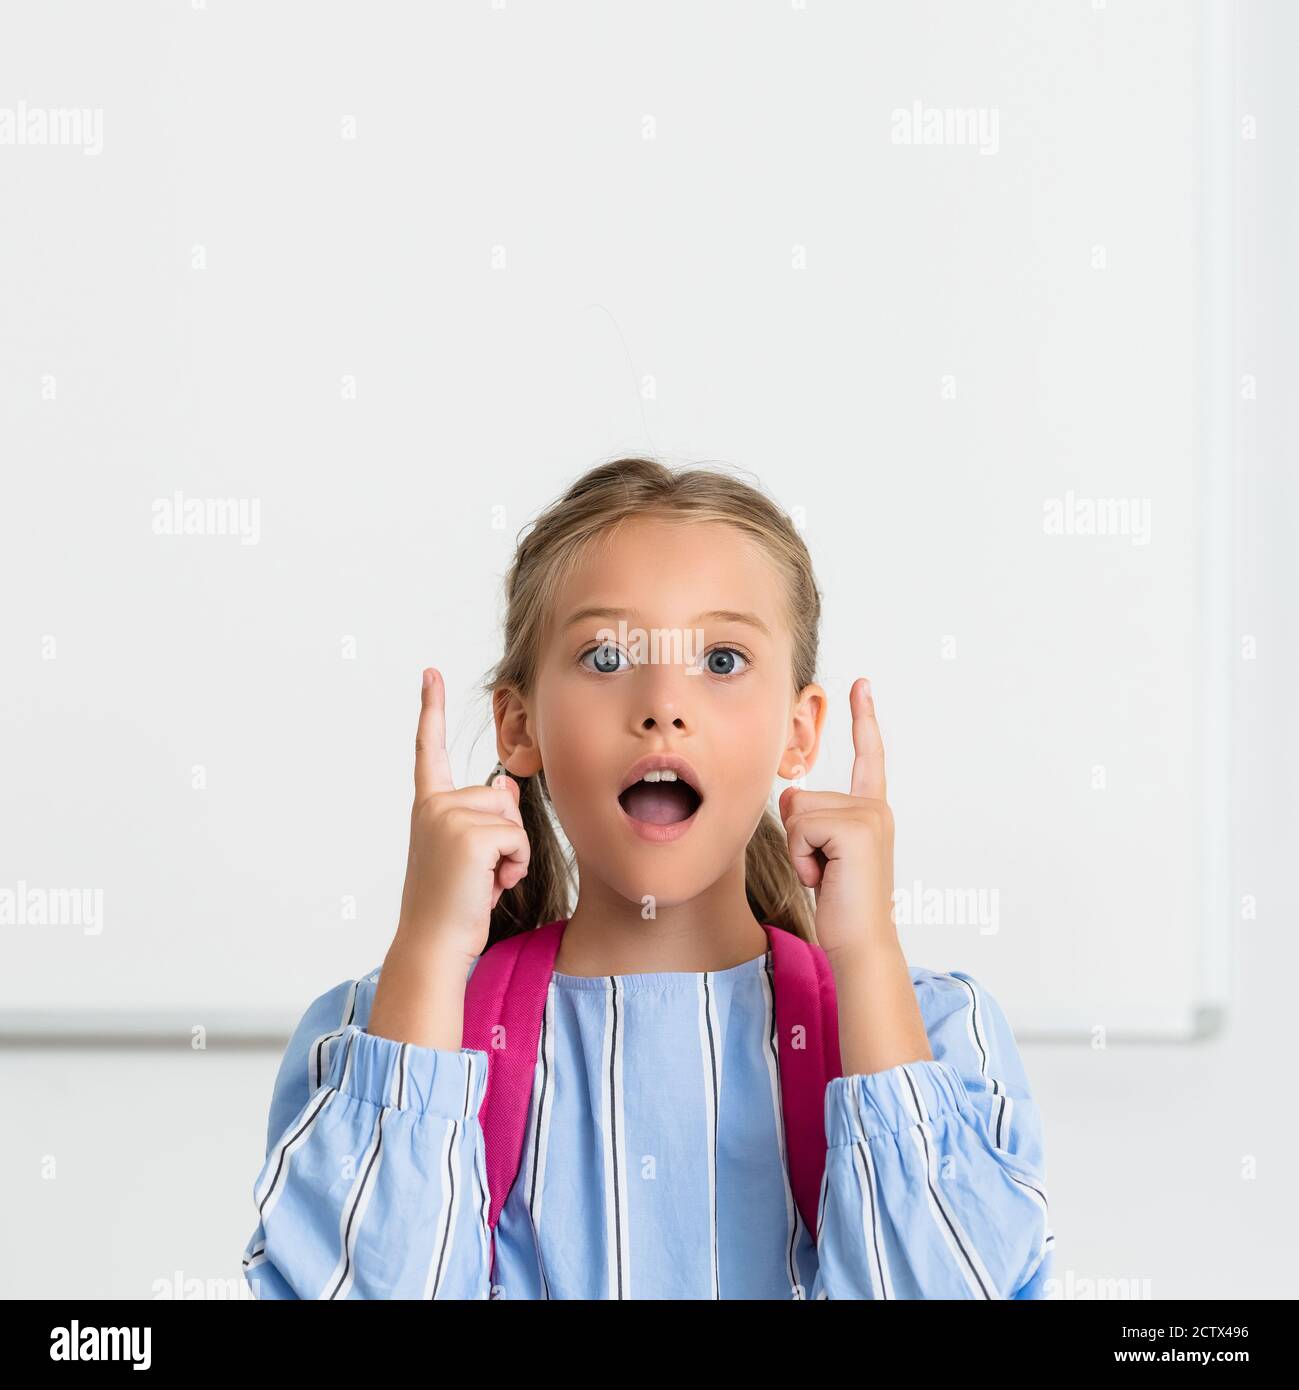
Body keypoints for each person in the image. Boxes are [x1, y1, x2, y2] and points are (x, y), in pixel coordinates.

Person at [241, 456, 1054, 1299]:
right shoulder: (379, 1035)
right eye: (603, 657)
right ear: (519, 728)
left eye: (724, 660)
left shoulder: (933, 1033)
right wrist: (430, 950)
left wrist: (867, 955)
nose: (663, 704)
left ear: (799, 733)